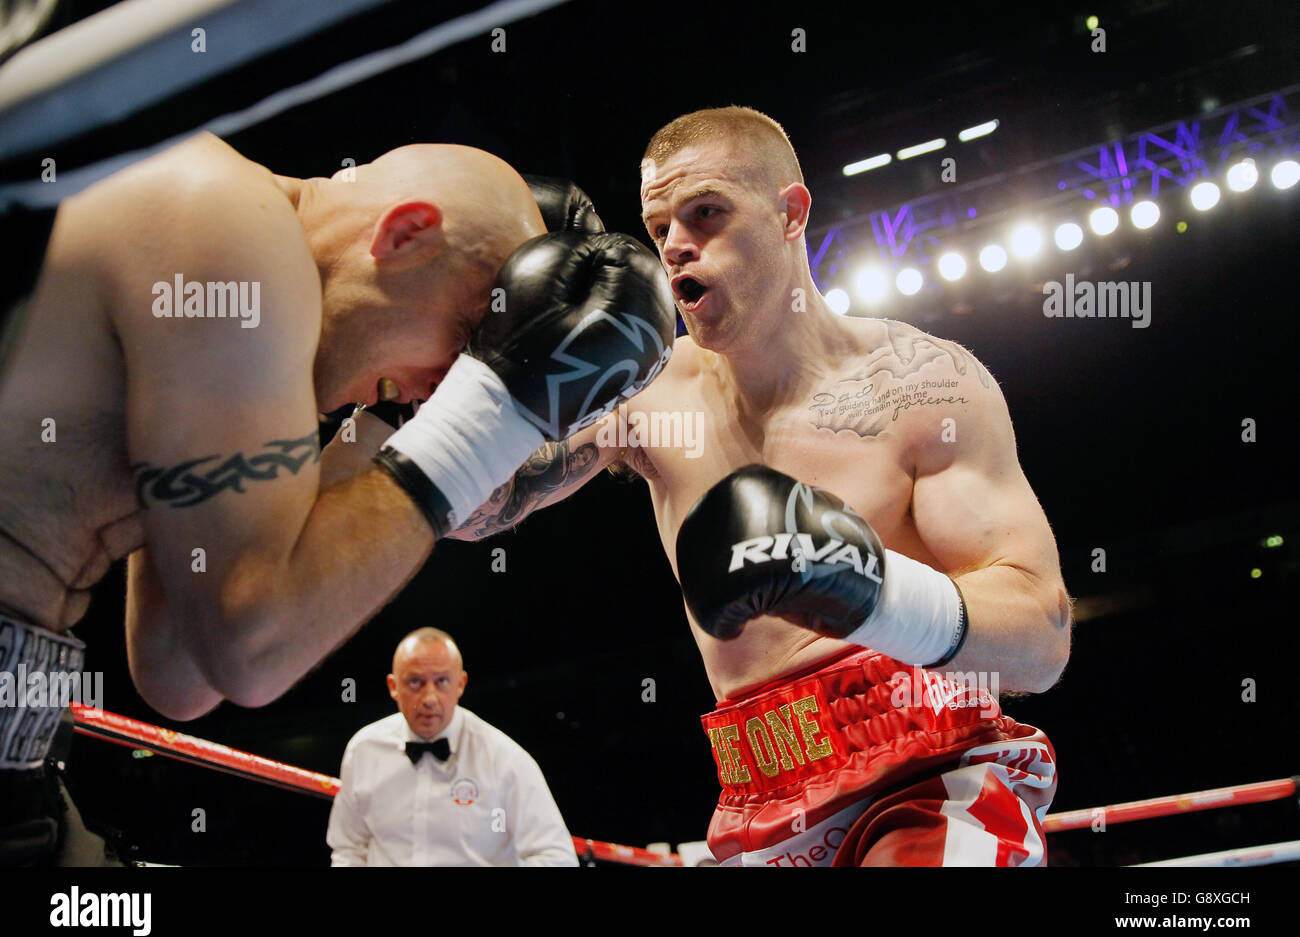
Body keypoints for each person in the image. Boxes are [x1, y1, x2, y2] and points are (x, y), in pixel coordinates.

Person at [0, 135, 674, 864]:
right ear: (406, 233)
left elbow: (177, 670)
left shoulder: (239, 339)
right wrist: (495, 413)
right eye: (460, 341)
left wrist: (389, 418)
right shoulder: (227, 226)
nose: (441, 388)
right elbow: (249, 646)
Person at [450, 107, 1070, 866]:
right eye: (659, 228)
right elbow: (475, 510)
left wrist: (868, 589)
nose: (675, 244)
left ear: (790, 213)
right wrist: (479, 338)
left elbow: (1042, 643)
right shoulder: (644, 390)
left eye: (705, 212)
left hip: (932, 769)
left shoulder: (923, 388)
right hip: (756, 794)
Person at [326, 628, 578, 866]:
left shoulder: (504, 759)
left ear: (460, 684)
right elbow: (348, 848)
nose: (429, 698)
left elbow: (557, 857)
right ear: (393, 686)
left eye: (442, 681)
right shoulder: (364, 750)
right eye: (415, 682)